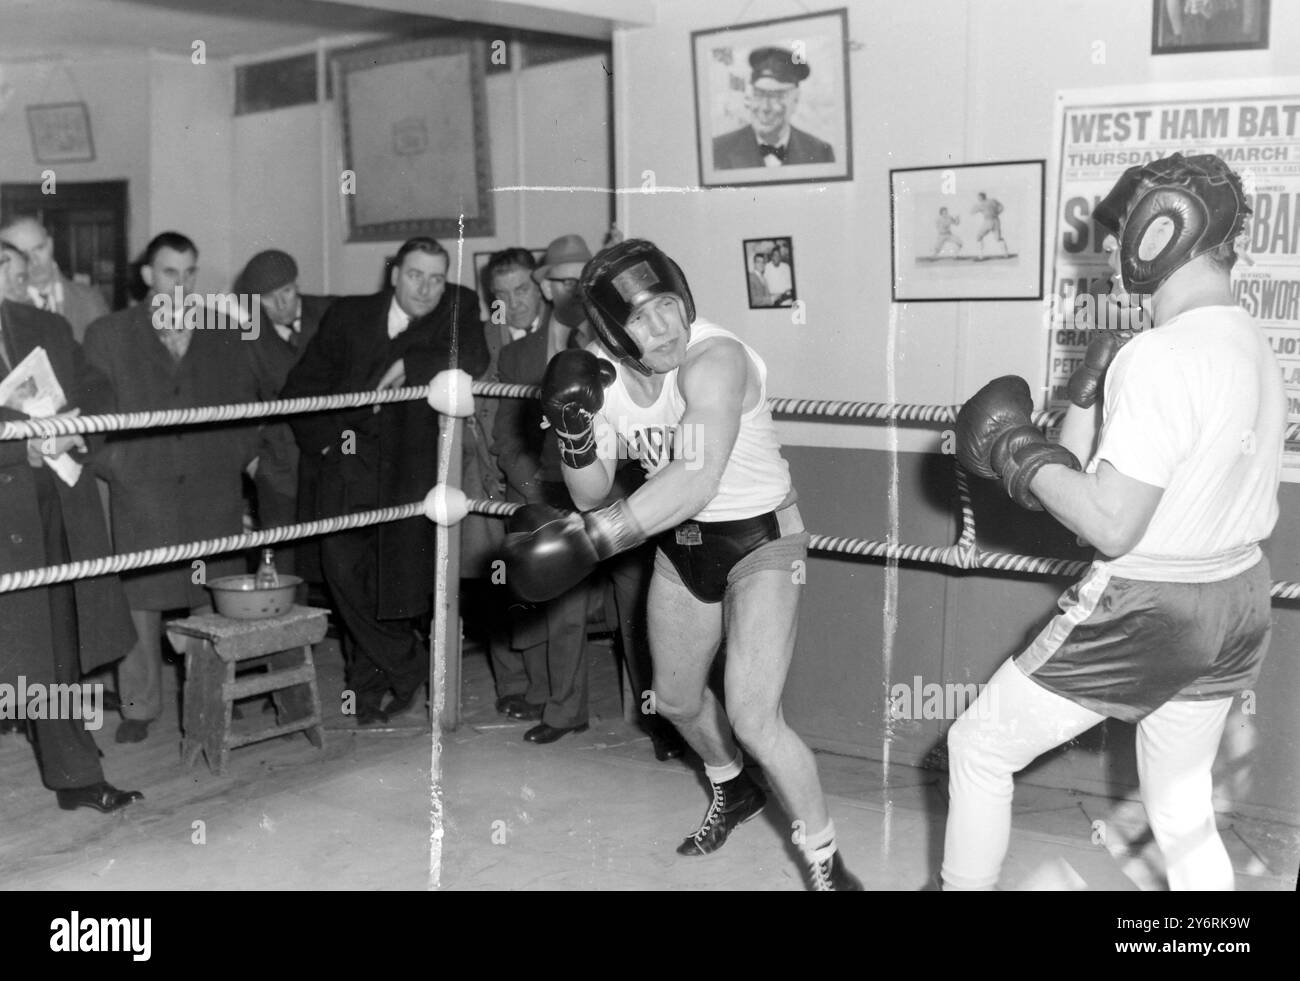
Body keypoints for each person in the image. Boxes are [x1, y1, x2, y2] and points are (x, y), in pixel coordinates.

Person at [945, 153, 1283, 891]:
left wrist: (1012, 452)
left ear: (1166, 225)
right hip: (1238, 597)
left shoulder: (1163, 356)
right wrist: (1083, 397)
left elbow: (1108, 526)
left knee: (977, 746)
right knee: (1182, 808)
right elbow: (1091, 494)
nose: (1115, 245)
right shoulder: (1251, 343)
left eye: (1126, 226)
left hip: (1150, 605)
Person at [501, 238, 861, 889]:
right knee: (673, 697)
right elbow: (590, 491)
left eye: (668, 305)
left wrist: (595, 540)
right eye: (641, 318)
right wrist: (577, 430)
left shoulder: (713, 358)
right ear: (614, 330)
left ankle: (826, 856)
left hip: (761, 540)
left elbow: (696, 475)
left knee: (753, 716)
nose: (664, 326)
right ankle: (732, 787)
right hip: (682, 542)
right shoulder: (601, 376)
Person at [282, 237, 487, 726]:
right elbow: (300, 388)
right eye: (416, 275)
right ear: (394, 273)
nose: (427, 288)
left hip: (406, 470)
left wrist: (409, 366)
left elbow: (473, 357)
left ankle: (369, 686)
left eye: (437, 278)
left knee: (391, 581)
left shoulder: (458, 304)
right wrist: (332, 444)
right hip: (347, 464)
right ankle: (411, 664)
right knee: (342, 571)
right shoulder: (348, 315)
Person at [82, 231, 270, 744]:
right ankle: (140, 705)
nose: (182, 284)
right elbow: (90, 418)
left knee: (212, 595)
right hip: (141, 488)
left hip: (211, 487)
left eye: (190, 273)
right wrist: (115, 464)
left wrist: (233, 458)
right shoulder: (108, 334)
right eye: (170, 272)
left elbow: (247, 407)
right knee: (139, 599)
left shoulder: (226, 332)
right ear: (147, 274)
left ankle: (213, 693)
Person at [0, 284, 142, 811]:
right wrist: (26, 441)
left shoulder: (47, 325)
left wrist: (74, 426)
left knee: (55, 647)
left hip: (54, 512)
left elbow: (97, 388)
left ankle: (76, 775)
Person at [492, 235, 603, 743]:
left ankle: (566, 712)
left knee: (568, 610)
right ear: (547, 286)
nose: (570, 291)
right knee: (530, 599)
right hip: (531, 490)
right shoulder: (516, 356)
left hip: (584, 492)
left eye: (578, 281)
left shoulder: (601, 346)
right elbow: (503, 435)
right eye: (561, 280)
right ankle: (540, 693)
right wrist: (529, 484)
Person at [479, 247, 554, 722]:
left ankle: (547, 689)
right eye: (502, 295)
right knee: (498, 581)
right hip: (485, 472)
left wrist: (534, 485)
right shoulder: (483, 336)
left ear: (540, 287)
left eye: (522, 289)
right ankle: (512, 684)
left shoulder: (565, 332)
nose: (515, 302)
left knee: (542, 585)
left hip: (548, 477)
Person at [235, 249, 335, 582]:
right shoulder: (247, 335)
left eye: (287, 293)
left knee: (340, 559)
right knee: (284, 566)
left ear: (298, 285)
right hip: (280, 468)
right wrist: (252, 460)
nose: (280, 305)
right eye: (267, 298)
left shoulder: (332, 313)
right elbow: (240, 401)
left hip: (335, 457)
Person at [711, 47, 835, 170]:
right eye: (758, 94)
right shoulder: (717, 150)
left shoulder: (821, 153)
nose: (765, 107)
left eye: (776, 97)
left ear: (795, 99)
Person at [0, 216, 110, 342]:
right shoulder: (4, 308)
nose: (34, 261)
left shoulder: (89, 299)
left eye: (39, 248)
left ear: (50, 244)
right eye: (22, 254)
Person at [970, 192, 1009, 259]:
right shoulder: (993, 201)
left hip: (988, 221)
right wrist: (997, 213)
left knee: (979, 237)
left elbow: (972, 212)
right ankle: (1006, 254)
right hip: (996, 220)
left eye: (978, 197)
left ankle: (980, 256)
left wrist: (974, 208)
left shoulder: (981, 204)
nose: (978, 199)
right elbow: (1002, 207)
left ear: (981, 197)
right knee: (998, 238)